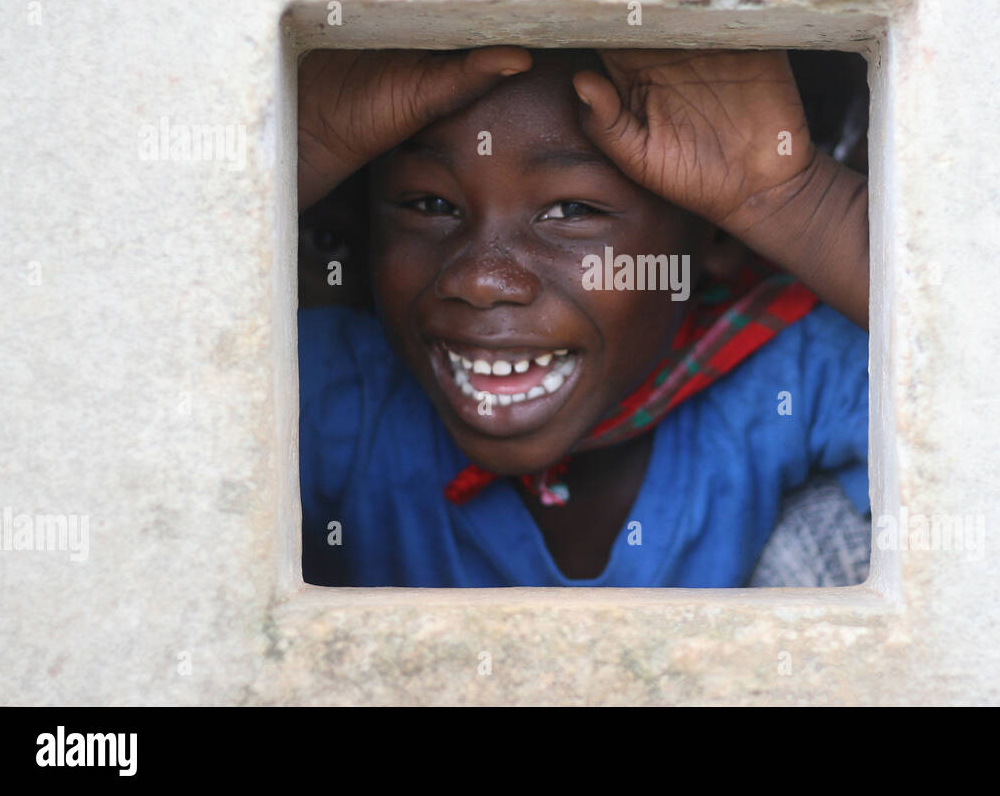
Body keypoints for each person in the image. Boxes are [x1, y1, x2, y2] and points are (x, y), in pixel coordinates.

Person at [298, 46, 870, 585]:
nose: (479, 280)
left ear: (712, 233)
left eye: (572, 210)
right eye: (431, 205)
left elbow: (954, 386)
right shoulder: (334, 388)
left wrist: (793, 202)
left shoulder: (786, 376)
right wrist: (291, 153)